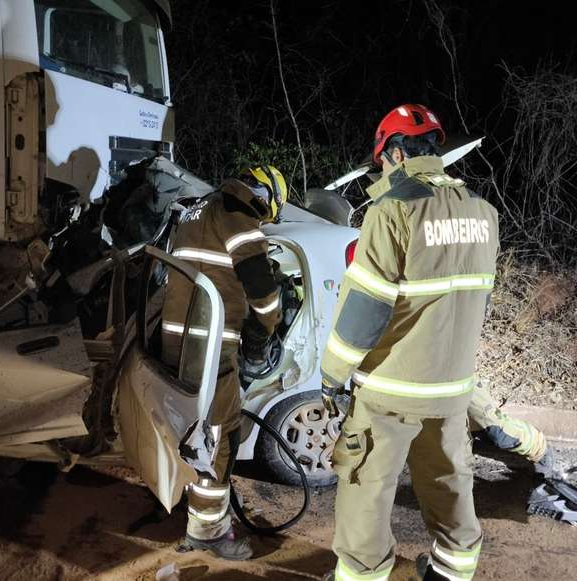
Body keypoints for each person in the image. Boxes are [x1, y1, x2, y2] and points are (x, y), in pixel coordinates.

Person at [320, 103, 498, 581]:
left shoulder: (392, 211)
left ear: (395, 154)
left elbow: (365, 309)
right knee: (449, 487)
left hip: (390, 393)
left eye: (382, 161)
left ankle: (362, 574)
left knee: (366, 497)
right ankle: (452, 571)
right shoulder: (484, 214)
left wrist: (332, 376)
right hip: (453, 392)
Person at [161, 165, 287, 560]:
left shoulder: (197, 209)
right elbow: (263, 296)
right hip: (211, 346)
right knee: (220, 438)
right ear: (266, 197)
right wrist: (260, 335)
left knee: (191, 429)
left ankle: (192, 505)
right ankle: (208, 533)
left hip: (175, 340)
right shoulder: (238, 214)